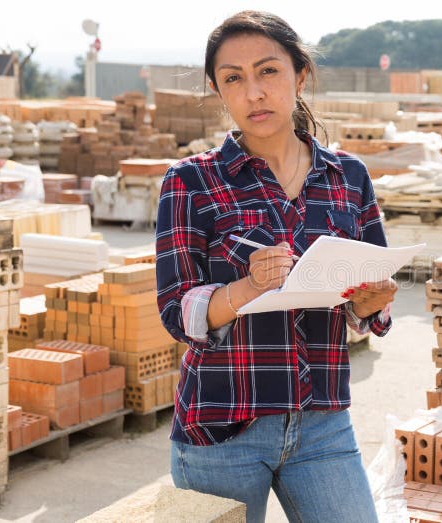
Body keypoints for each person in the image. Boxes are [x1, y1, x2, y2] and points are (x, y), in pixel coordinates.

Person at [155, 11, 396, 523]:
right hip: (222, 426)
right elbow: (177, 313)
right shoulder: (191, 182)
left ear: (299, 75)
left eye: (268, 71)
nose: (254, 93)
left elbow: (368, 293)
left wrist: (370, 304)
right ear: (220, 92)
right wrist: (246, 287)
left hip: (323, 423)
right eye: (233, 79)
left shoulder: (347, 176)